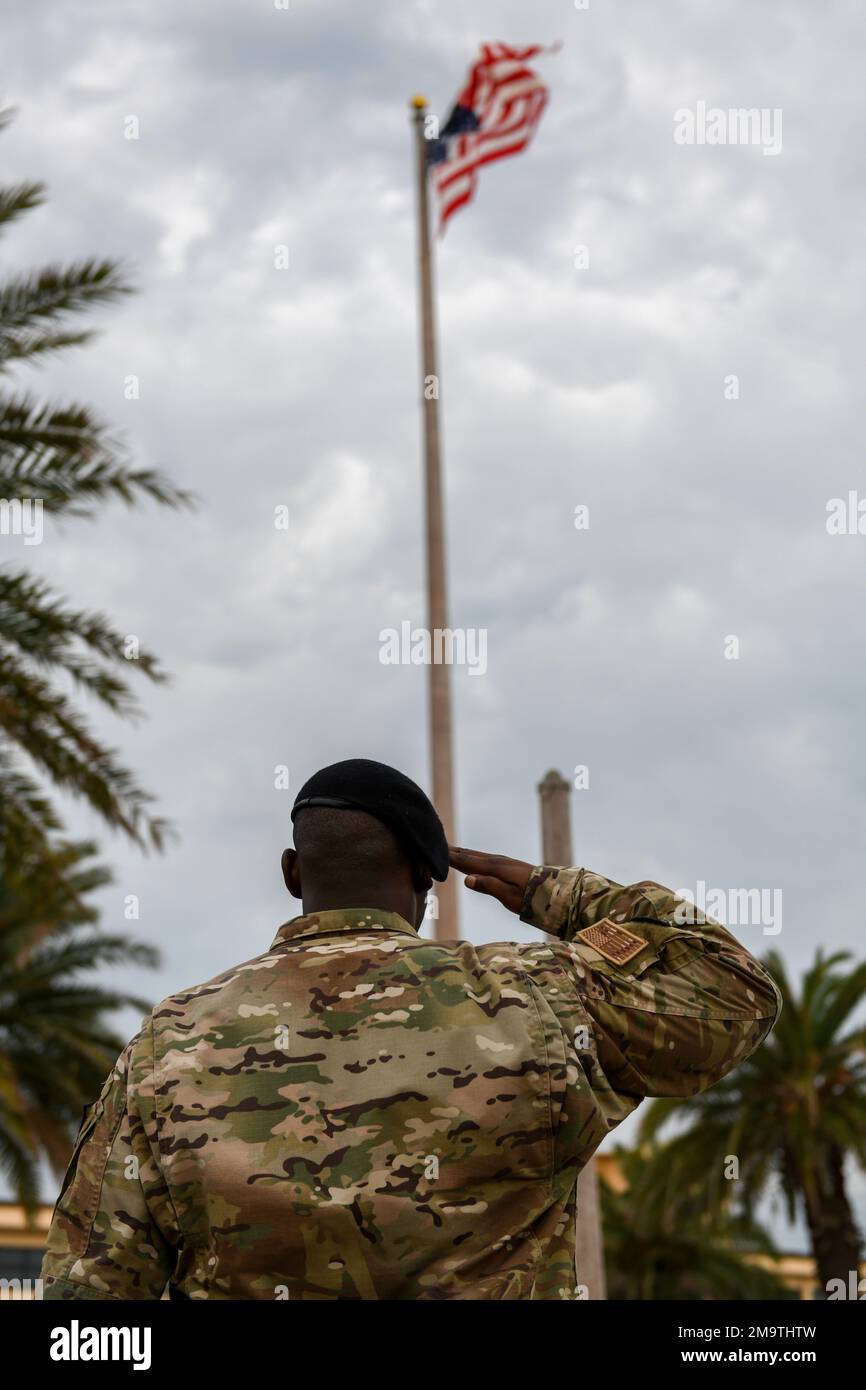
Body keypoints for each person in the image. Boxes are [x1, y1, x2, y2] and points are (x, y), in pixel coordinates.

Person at [41, 757, 782, 1300]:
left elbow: (89, 1302)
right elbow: (731, 991)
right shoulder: (539, 999)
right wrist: (556, 892)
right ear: (425, 882)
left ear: (294, 872)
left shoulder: (170, 1041)